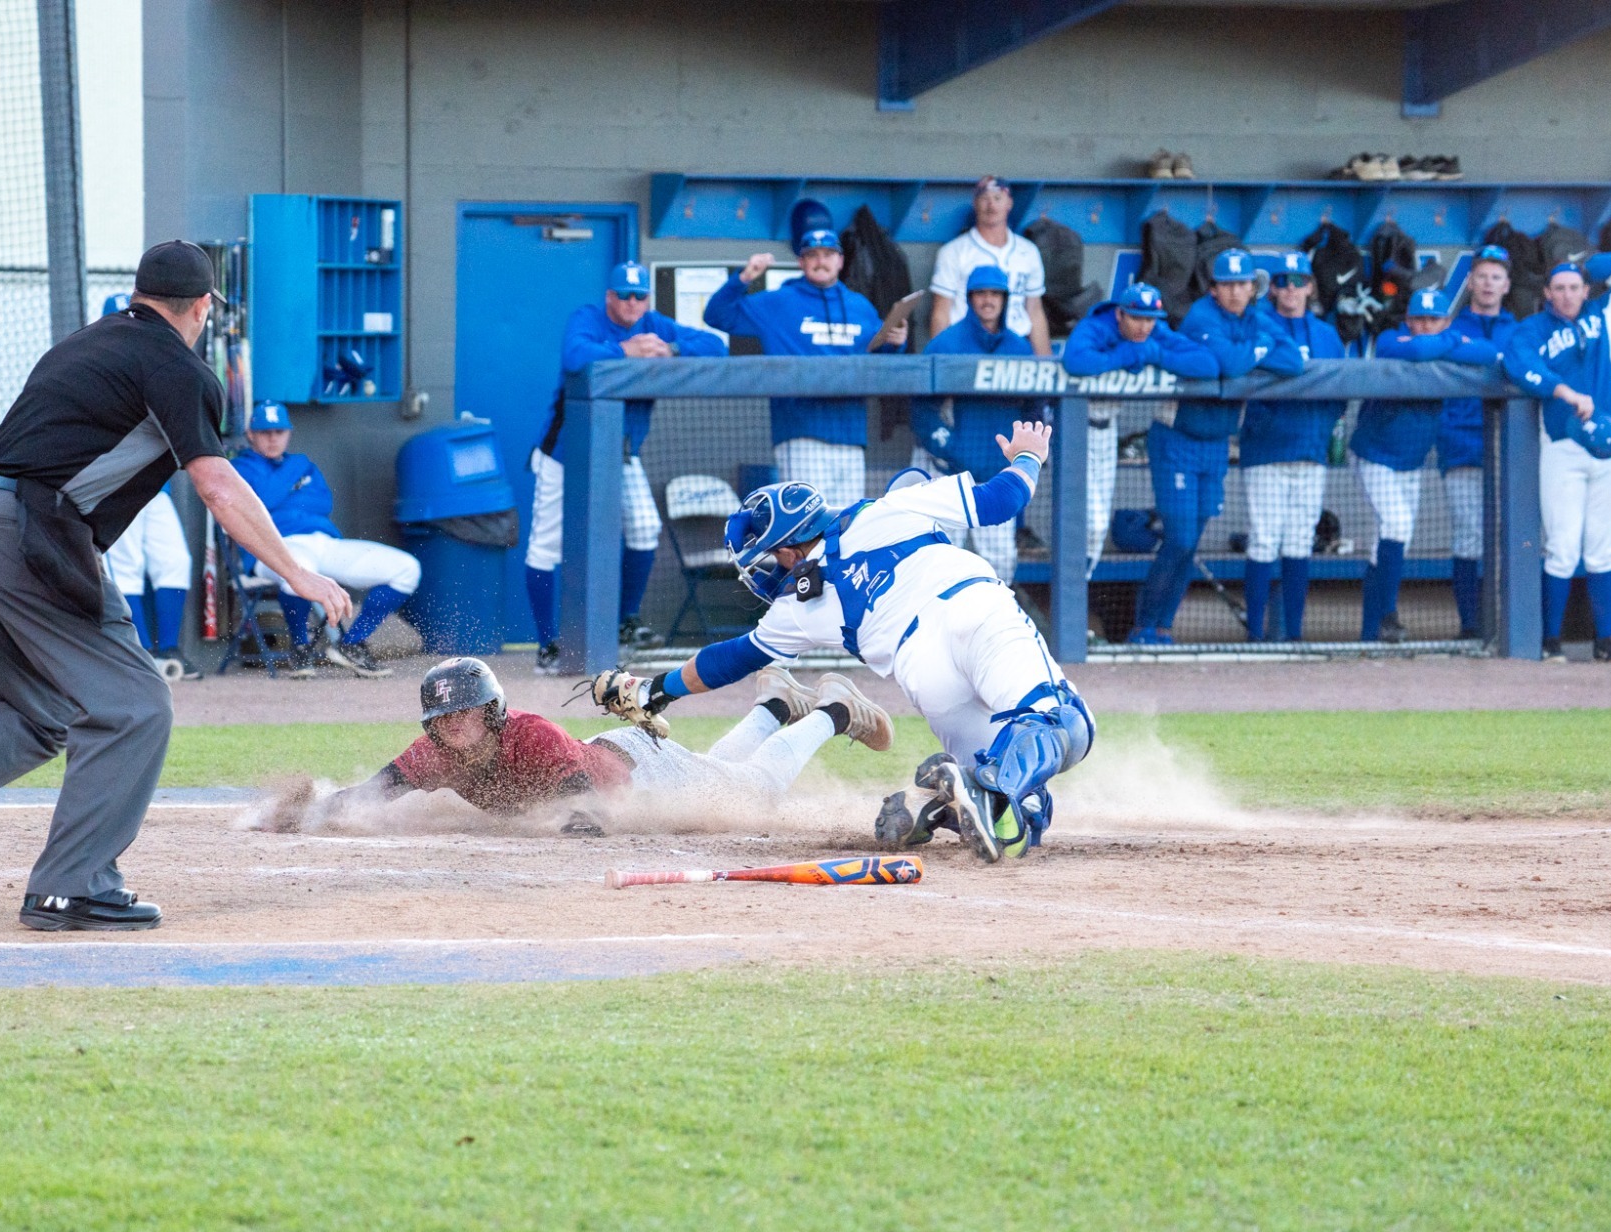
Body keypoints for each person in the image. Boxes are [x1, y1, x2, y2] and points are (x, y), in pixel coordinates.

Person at [0, 241, 352, 932]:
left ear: (139, 294)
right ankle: (70, 885)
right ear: (202, 307)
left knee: (44, 708)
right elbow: (217, 484)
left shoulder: (82, 345)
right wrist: (297, 571)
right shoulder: (179, 366)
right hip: (36, 533)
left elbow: (20, 457)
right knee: (136, 706)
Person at [586, 420, 1090, 864]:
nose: (768, 569)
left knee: (1018, 809)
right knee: (1063, 722)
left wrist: (656, 689)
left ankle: (942, 802)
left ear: (789, 550)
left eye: (769, 556)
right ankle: (978, 789)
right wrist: (1029, 455)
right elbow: (1003, 500)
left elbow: (730, 659)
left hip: (923, 673)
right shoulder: (889, 507)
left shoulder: (797, 607)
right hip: (973, 613)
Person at [264, 656, 890, 834]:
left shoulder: (530, 734)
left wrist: (580, 822)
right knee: (722, 771)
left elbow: (583, 797)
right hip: (620, 754)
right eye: (442, 719)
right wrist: (313, 809)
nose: (453, 726)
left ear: (492, 712)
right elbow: (375, 791)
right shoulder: (436, 755)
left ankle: (833, 710)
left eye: (465, 714)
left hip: (643, 770)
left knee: (754, 791)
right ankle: (775, 703)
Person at [526, 262, 726, 673]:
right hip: (565, 453)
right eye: (624, 295)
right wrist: (625, 350)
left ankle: (625, 622)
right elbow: (575, 355)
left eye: (639, 296)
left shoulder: (656, 325)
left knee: (644, 527)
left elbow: (716, 346)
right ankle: (547, 644)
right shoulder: (588, 319)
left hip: (620, 455)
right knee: (546, 545)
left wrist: (672, 350)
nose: (632, 303)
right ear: (610, 297)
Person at [1130, 249, 1306, 644]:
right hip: (1177, 436)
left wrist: (1253, 349)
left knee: (1192, 542)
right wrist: (1261, 349)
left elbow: (1294, 362)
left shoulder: (1256, 318)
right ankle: (1143, 625)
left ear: (1252, 287)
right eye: (1227, 285)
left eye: (1242, 284)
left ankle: (1163, 628)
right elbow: (1229, 365)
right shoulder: (1202, 316)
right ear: (1214, 288)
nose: (1235, 292)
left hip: (1215, 445)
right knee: (1179, 537)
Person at [1504, 252, 1611, 661]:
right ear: (1547, 293)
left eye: (1574, 288)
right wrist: (1563, 390)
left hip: (1610, 447)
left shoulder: (1606, 314)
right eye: (1559, 288)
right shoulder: (1534, 328)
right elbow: (1518, 364)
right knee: (1563, 547)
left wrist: (1585, 264)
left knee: (1604, 548)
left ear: (1586, 290)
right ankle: (1550, 641)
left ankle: (1608, 641)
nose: (1567, 295)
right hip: (1563, 445)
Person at [704, 225, 907, 509]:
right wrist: (744, 277)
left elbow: (878, 359)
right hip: (800, 432)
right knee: (807, 522)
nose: (821, 261)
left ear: (840, 261)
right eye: (812, 255)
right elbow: (717, 315)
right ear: (801, 262)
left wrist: (896, 342)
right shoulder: (779, 301)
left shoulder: (859, 306)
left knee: (847, 524)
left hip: (851, 434)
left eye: (828, 254)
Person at [1349, 289, 1500, 643]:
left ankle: (1370, 633)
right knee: (1397, 525)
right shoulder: (1391, 339)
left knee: (1387, 542)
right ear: (1408, 320)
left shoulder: (1443, 339)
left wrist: (1444, 342)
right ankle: (1388, 616)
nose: (1426, 326)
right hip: (1374, 454)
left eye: (1434, 319)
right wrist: (1452, 342)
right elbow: (1417, 351)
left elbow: (1489, 353)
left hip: (1412, 461)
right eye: (1419, 319)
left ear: (1446, 321)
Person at [231, 399, 420, 679]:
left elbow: (322, 503)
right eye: (264, 432)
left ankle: (351, 643)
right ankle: (300, 647)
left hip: (324, 542)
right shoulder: (241, 467)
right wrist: (295, 478)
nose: (273, 439)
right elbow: (265, 500)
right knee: (299, 568)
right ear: (250, 434)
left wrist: (281, 494)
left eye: (279, 431)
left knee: (406, 568)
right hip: (273, 548)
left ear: (288, 433)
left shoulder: (302, 464)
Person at [1058, 282, 1215, 586]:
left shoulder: (1153, 332)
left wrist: (1156, 353)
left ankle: (1079, 593)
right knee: (1085, 523)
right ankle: (1067, 596)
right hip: (1074, 429)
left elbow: (1207, 364)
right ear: (1120, 314)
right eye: (1136, 318)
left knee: (1097, 528)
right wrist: (1125, 354)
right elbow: (1075, 361)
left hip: (1107, 430)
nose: (1144, 326)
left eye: (1149, 319)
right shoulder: (1097, 326)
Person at [1235, 252, 1349, 641]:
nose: (1291, 289)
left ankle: (1293, 635)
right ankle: (1256, 636)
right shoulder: (1257, 325)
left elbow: (1340, 394)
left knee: (1300, 540)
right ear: (1273, 288)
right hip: (1265, 450)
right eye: (1283, 281)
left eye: (1299, 281)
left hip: (1310, 450)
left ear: (1310, 287)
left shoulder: (1326, 335)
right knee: (1264, 539)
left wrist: (1319, 428)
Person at [908, 264, 1041, 582]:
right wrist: (949, 448)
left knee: (1000, 563)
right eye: (981, 293)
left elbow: (1034, 408)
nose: (988, 300)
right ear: (969, 298)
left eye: (995, 293)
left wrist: (1024, 456)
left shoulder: (1020, 348)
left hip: (997, 475)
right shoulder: (947, 343)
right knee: (942, 561)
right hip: (949, 475)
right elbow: (921, 408)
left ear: (1005, 299)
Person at [1438, 245, 1518, 638]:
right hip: (1463, 443)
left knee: (1510, 537)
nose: (1488, 284)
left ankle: (1505, 624)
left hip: (1512, 449)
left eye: (1496, 277)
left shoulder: (1519, 331)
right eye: (1482, 276)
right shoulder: (1449, 330)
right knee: (1469, 536)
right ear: (1470, 282)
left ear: (1507, 285)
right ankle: (1471, 627)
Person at [926, 176, 1052, 353]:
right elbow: (941, 312)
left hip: (1015, 346)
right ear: (975, 203)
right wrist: (941, 359)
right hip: (966, 347)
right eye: (984, 198)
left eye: (997, 198)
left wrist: (1044, 360)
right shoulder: (953, 251)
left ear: (1009, 203)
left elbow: (1035, 312)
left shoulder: (1028, 251)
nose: (991, 205)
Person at [104, 480, 196, 680]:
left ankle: (169, 649)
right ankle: (141, 653)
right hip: (115, 483)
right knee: (126, 568)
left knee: (176, 562)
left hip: (157, 483)